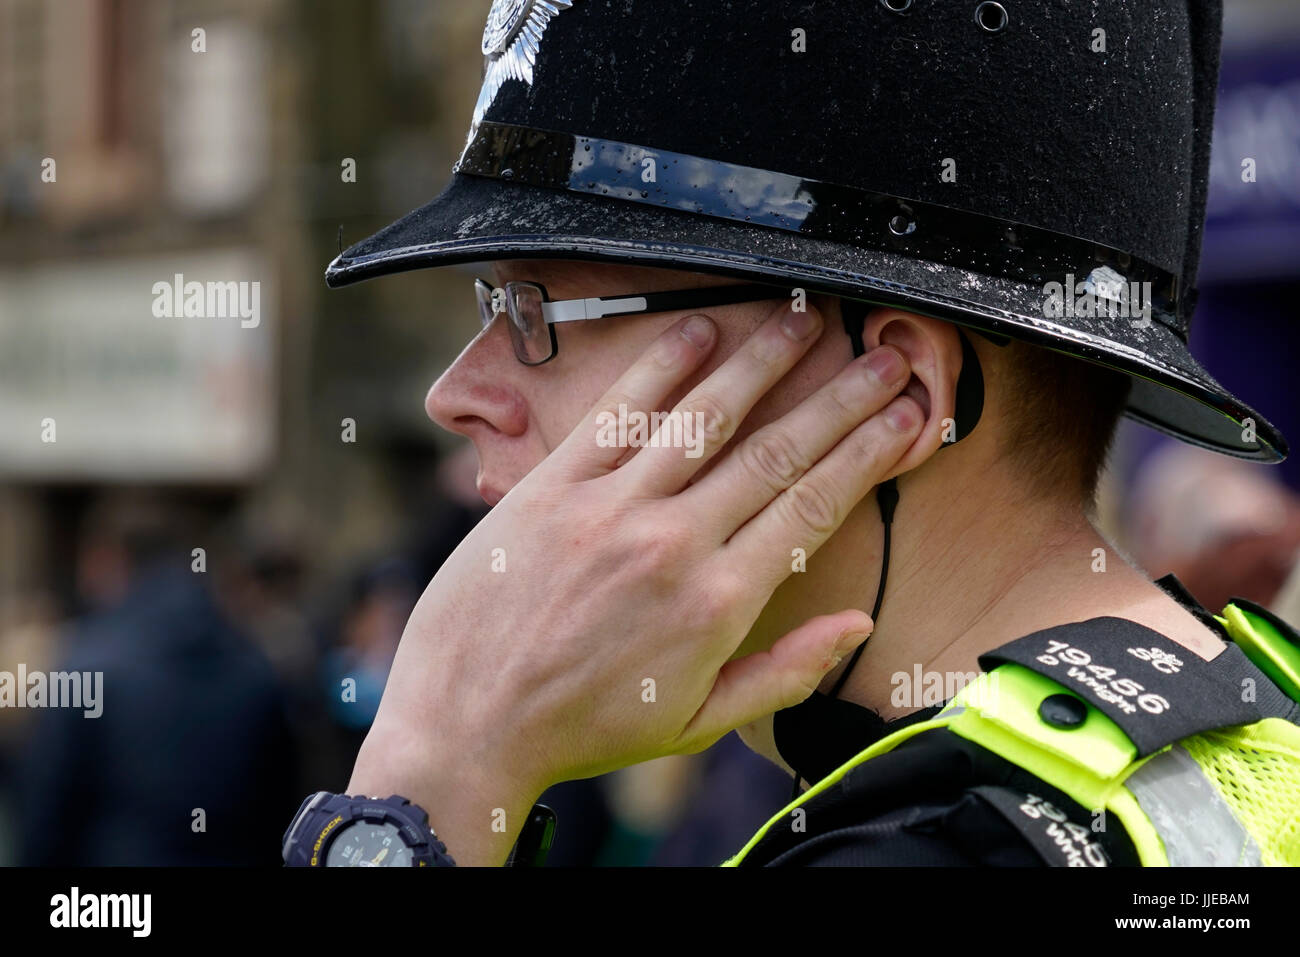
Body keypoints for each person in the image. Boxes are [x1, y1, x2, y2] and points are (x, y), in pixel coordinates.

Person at [280, 0, 1300, 867]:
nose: (457, 395)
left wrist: (428, 778)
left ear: (891, 384)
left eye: (534, 311)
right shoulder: (1254, 723)